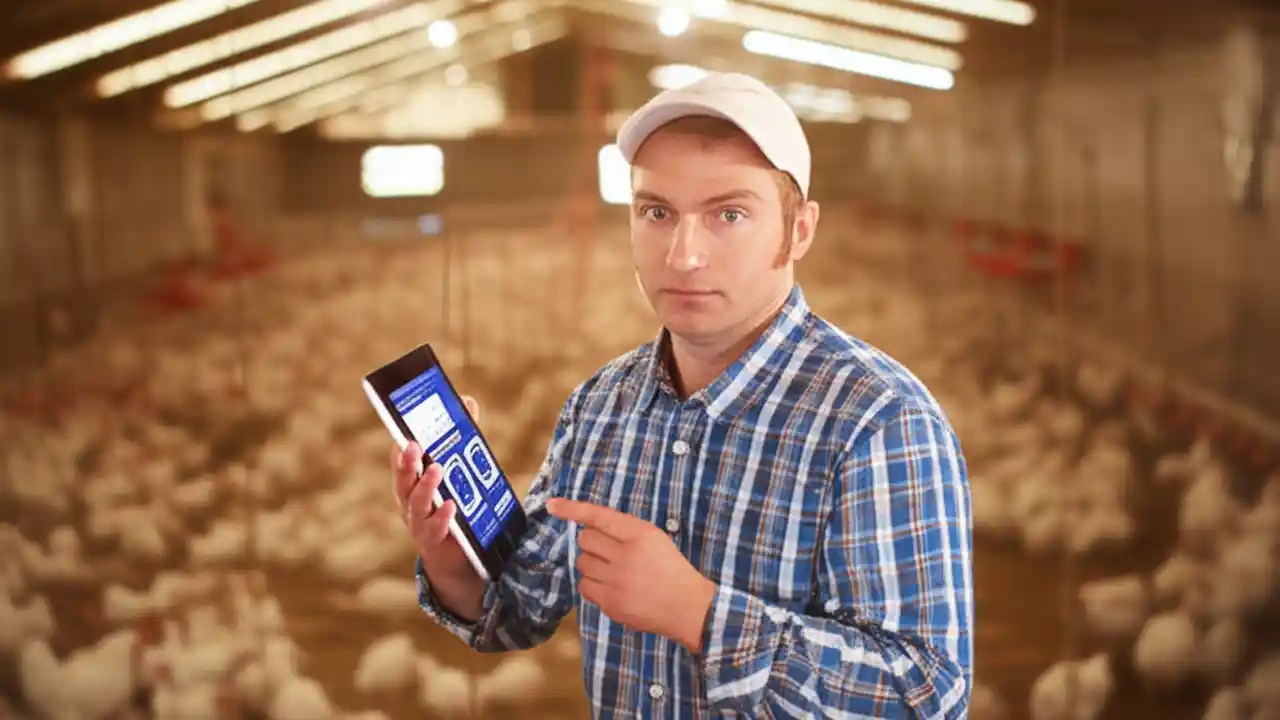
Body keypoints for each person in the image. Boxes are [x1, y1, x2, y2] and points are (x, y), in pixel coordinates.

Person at [392, 72, 974, 717]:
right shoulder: (602, 405)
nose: (683, 255)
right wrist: (453, 558)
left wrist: (698, 613)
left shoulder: (877, 421)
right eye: (656, 212)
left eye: (729, 214)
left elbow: (926, 696)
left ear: (799, 230)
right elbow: (518, 609)